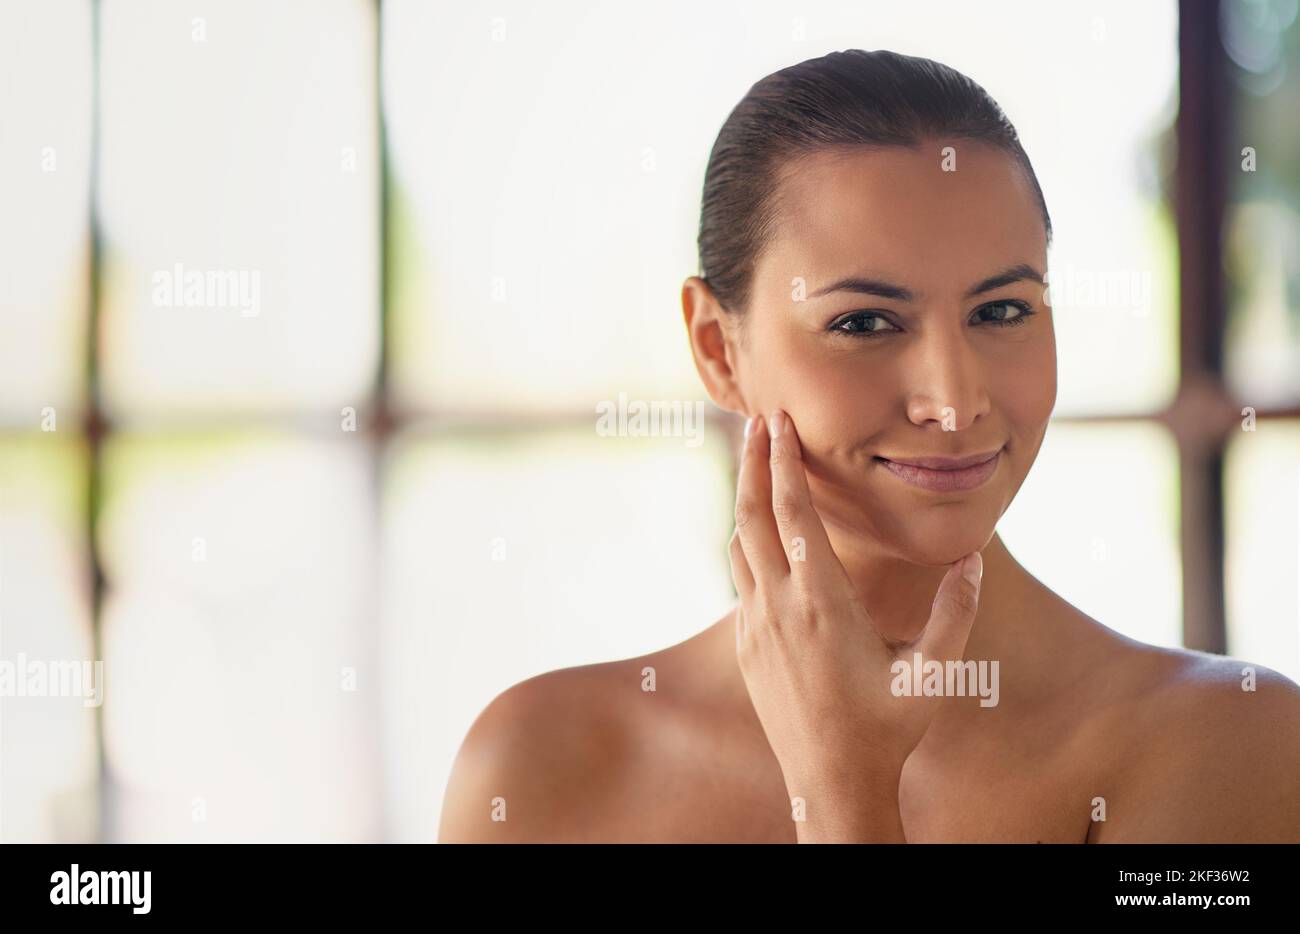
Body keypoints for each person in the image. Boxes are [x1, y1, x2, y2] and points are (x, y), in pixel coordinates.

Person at [438, 49, 1300, 843]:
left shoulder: (1230, 743)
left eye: (1001, 311)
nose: (955, 403)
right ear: (716, 348)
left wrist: (844, 792)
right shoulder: (539, 766)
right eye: (863, 322)